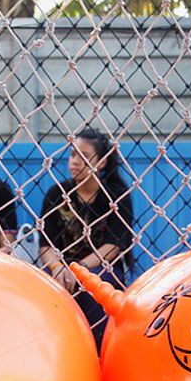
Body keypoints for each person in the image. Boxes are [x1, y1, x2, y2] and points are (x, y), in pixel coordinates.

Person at [39, 128, 135, 346]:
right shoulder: (57, 194)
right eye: (73, 154)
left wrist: (79, 269)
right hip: (61, 268)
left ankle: (100, 350)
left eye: (83, 156)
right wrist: (57, 268)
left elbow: (114, 245)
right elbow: (46, 243)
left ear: (101, 163)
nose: (75, 161)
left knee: (97, 285)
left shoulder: (116, 196)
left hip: (99, 268)